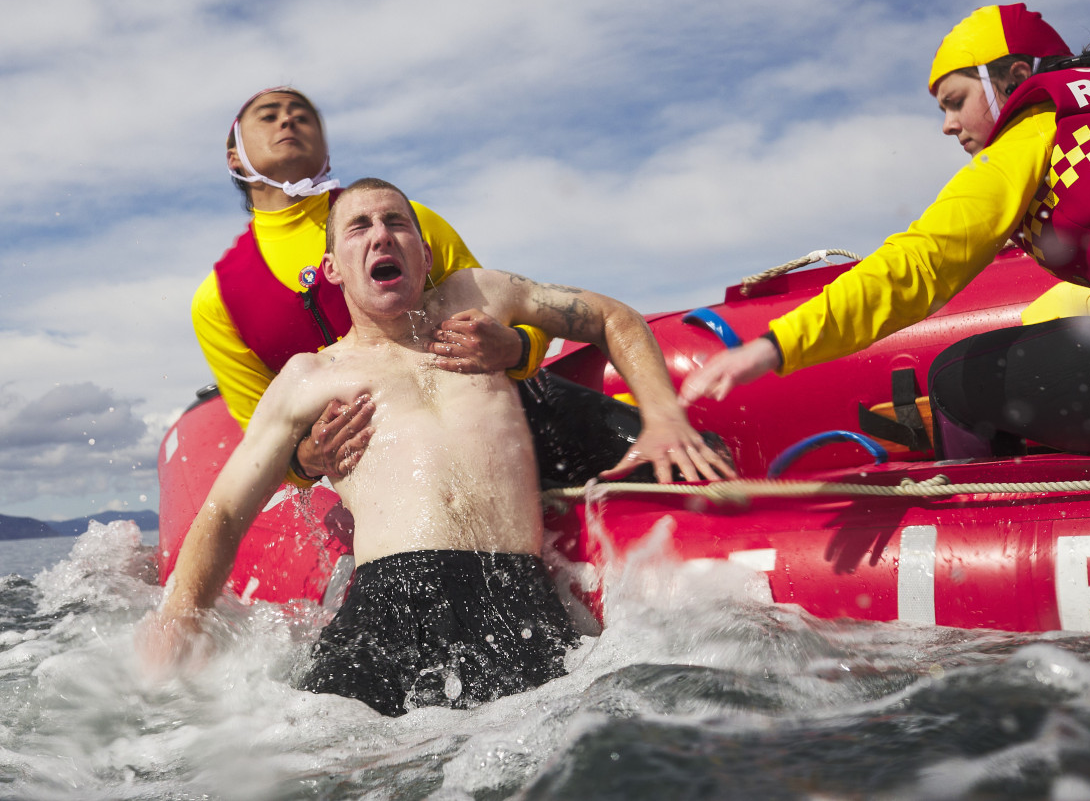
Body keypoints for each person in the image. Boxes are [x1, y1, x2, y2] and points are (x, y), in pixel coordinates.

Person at [142, 178, 735, 716]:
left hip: (512, 597)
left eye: (397, 223)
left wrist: (662, 418)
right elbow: (224, 510)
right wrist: (178, 617)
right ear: (332, 269)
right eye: (359, 227)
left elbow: (612, 317)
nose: (381, 235)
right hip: (387, 605)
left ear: (425, 254)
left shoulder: (482, 299)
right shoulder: (310, 378)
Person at [680, 4, 1090, 459]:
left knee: (956, 379)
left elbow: (924, 261)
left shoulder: (1039, 124)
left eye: (955, 100)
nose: (948, 125)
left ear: (1016, 76)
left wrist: (776, 344)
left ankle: (980, 526)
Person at [194, 87, 549, 486]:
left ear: (325, 148)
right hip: (369, 477)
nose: (288, 119)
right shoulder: (217, 301)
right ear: (234, 156)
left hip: (491, 428)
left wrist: (519, 347)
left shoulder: (407, 224)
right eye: (269, 115)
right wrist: (306, 459)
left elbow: (517, 318)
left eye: (303, 115)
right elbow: (264, 446)